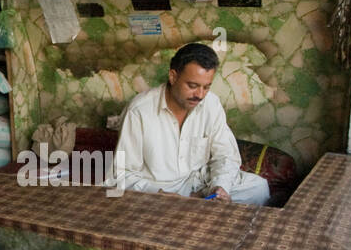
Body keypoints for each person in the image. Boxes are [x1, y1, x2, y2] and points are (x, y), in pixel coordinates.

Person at [113, 42, 270, 205]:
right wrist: (161, 194)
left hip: (199, 182)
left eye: (206, 87)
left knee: (258, 188)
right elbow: (122, 175)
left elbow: (225, 155)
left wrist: (220, 187)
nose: (200, 95)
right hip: (160, 190)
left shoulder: (211, 103)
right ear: (173, 77)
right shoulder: (139, 111)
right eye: (192, 86)